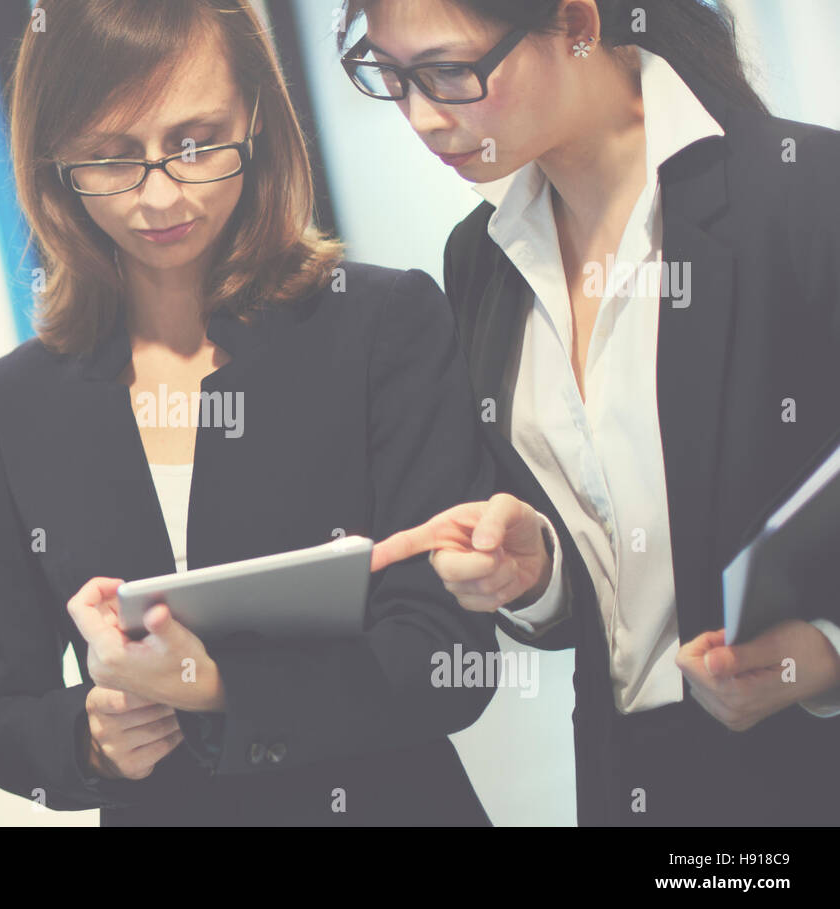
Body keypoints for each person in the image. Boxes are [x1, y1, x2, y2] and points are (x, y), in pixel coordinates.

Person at [0, 0, 506, 826]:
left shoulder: (381, 325)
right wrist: (90, 738)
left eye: (195, 142)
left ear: (256, 118)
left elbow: (449, 659)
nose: (160, 195)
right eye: (110, 157)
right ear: (53, 163)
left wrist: (211, 690)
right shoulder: (15, 402)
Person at [342, 0, 840, 824]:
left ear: (577, 23)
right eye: (390, 77)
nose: (423, 118)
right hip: (629, 782)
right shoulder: (481, 258)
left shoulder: (802, 195)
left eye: (449, 71)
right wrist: (533, 571)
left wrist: (824, 653)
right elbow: (603, 588)